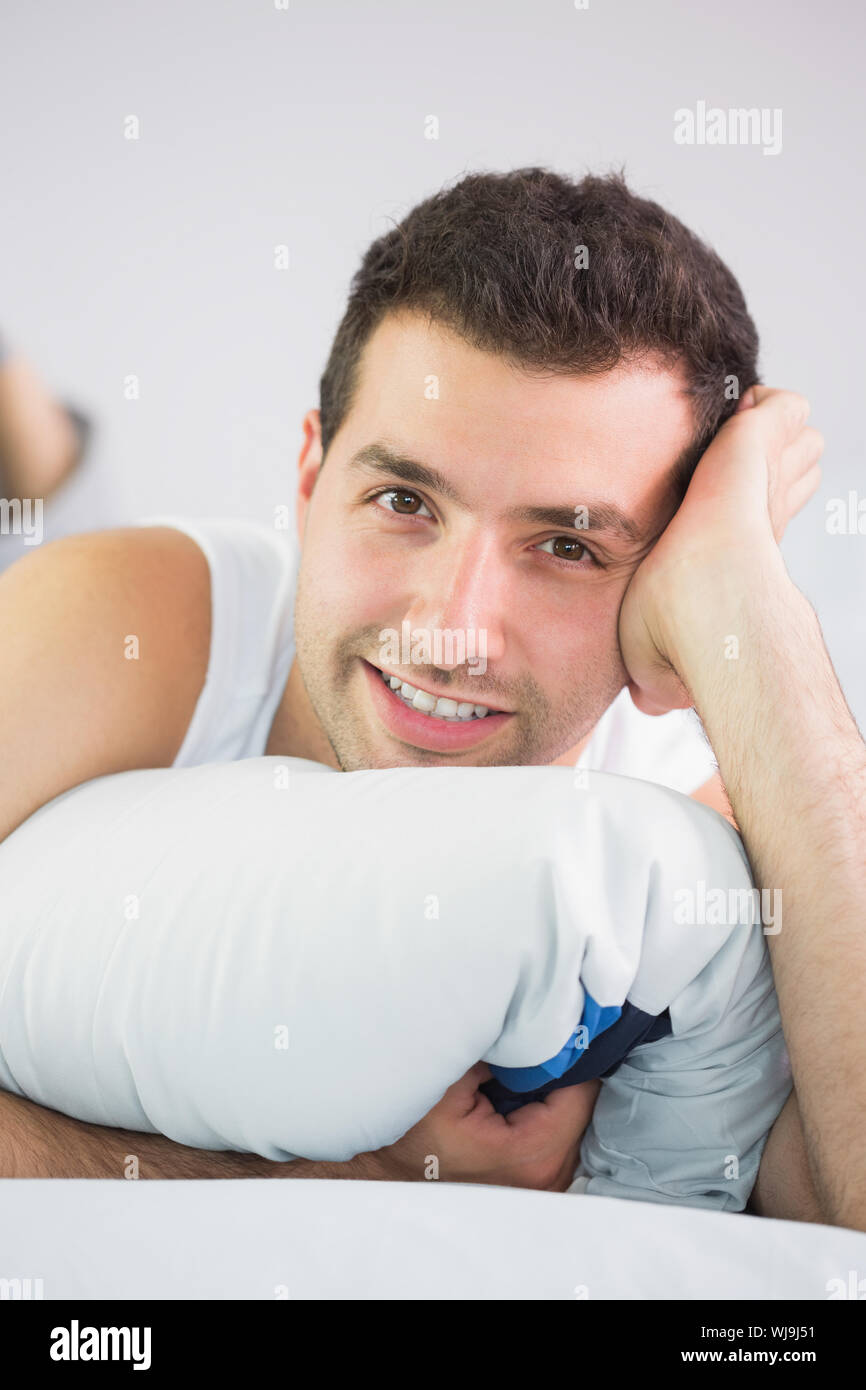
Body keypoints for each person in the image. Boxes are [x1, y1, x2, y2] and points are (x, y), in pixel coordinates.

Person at [0, 169, 858, 1228]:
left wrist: (746, 602)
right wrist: (345, 1190)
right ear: (311, 478)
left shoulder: (690, 829)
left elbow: (840, 1203)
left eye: (565, 545)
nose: (453, 628)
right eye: (403, 500)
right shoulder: (126, 633)